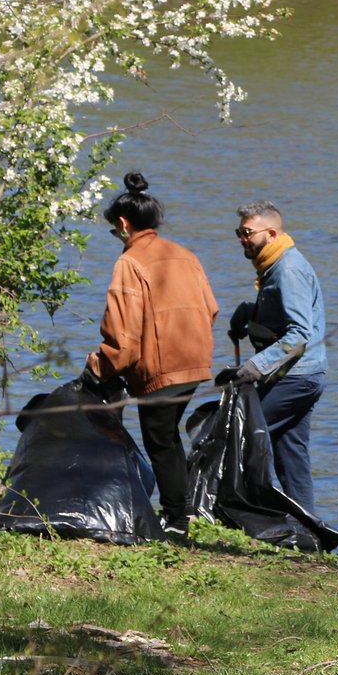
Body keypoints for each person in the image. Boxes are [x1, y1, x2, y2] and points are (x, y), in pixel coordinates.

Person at [84, 172, 219, 537]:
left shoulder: (129, 263)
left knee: (160, 442)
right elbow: (211, 308)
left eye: (115, 232)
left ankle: (176, 522)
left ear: (124, 224)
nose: (117, 238)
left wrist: (98, 367)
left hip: (161, 369)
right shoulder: (185, 255)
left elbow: (122, 336)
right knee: (168, 438)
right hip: (195, 362)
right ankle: (182, 512)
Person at [219, 199, 327, 519]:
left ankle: (249, 518)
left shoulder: (288, 270)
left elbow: (299, 335)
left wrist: (253, 368)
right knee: (290, 454)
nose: (242, 238)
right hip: (300, 376)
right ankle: (309, 530)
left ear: (271, 232)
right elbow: (283, 316)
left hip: (297, 377)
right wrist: (249, 314)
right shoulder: (274, 264)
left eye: (247, 232)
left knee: (247, 437)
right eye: (238, 232)